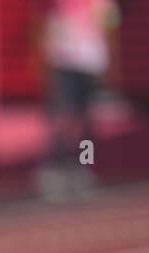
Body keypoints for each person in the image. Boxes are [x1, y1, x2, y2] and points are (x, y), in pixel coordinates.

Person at [30, 0, 121, 201]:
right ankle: (55, 167)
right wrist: (40, 58)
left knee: (87, 121)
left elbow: (110, 30)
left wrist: (113, 65)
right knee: (61, 117)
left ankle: (83, 166)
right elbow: (41, 22)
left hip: (91, 64)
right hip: (63, 62)